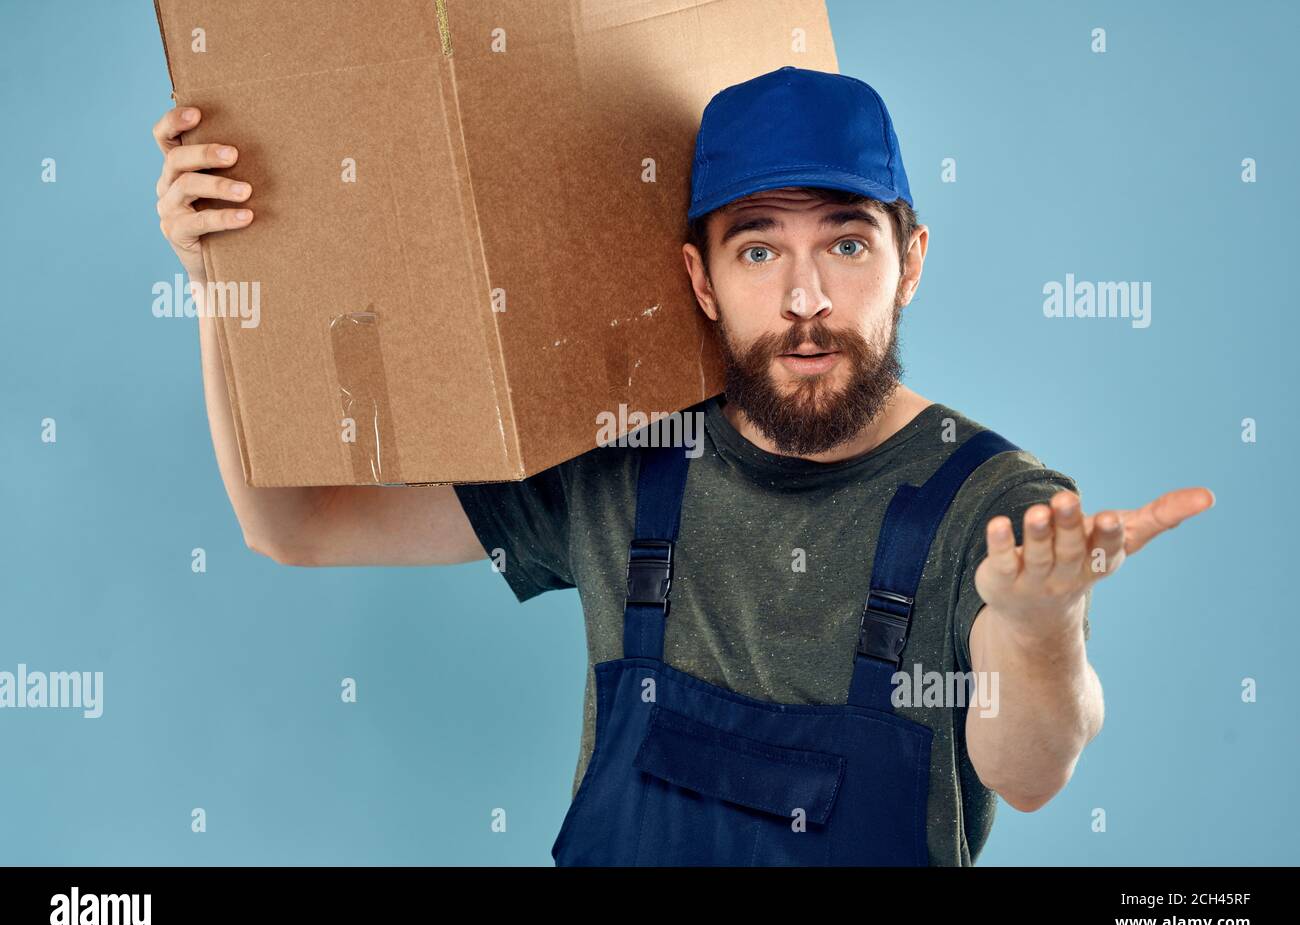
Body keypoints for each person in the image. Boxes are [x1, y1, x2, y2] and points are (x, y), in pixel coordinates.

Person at [151, 65, 1213, 866]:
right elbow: (295, 525)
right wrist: (216, 286)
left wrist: (1039, 630)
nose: (805, 299)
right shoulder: (624, 463)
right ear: (699, 279)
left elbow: (1026, 776)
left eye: (846, 245)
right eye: (758, 249)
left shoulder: (997, 512)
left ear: (910, 262)